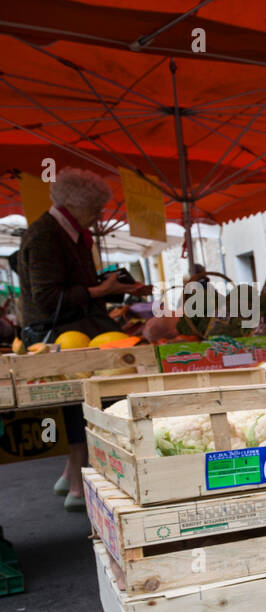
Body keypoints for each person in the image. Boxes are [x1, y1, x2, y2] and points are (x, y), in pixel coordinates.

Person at [14, 168, 148, 512]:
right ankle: (78, 485)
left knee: (82, 401)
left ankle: (69, 476)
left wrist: (113, 289)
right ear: (74, 206)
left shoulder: (71, 234)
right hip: (57, 335)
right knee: (80, 404)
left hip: (79, 329)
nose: (100, 216)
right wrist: (101, 290)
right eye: (96, 209)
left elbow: (78, 289)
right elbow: (46, 297)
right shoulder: (45, 235)